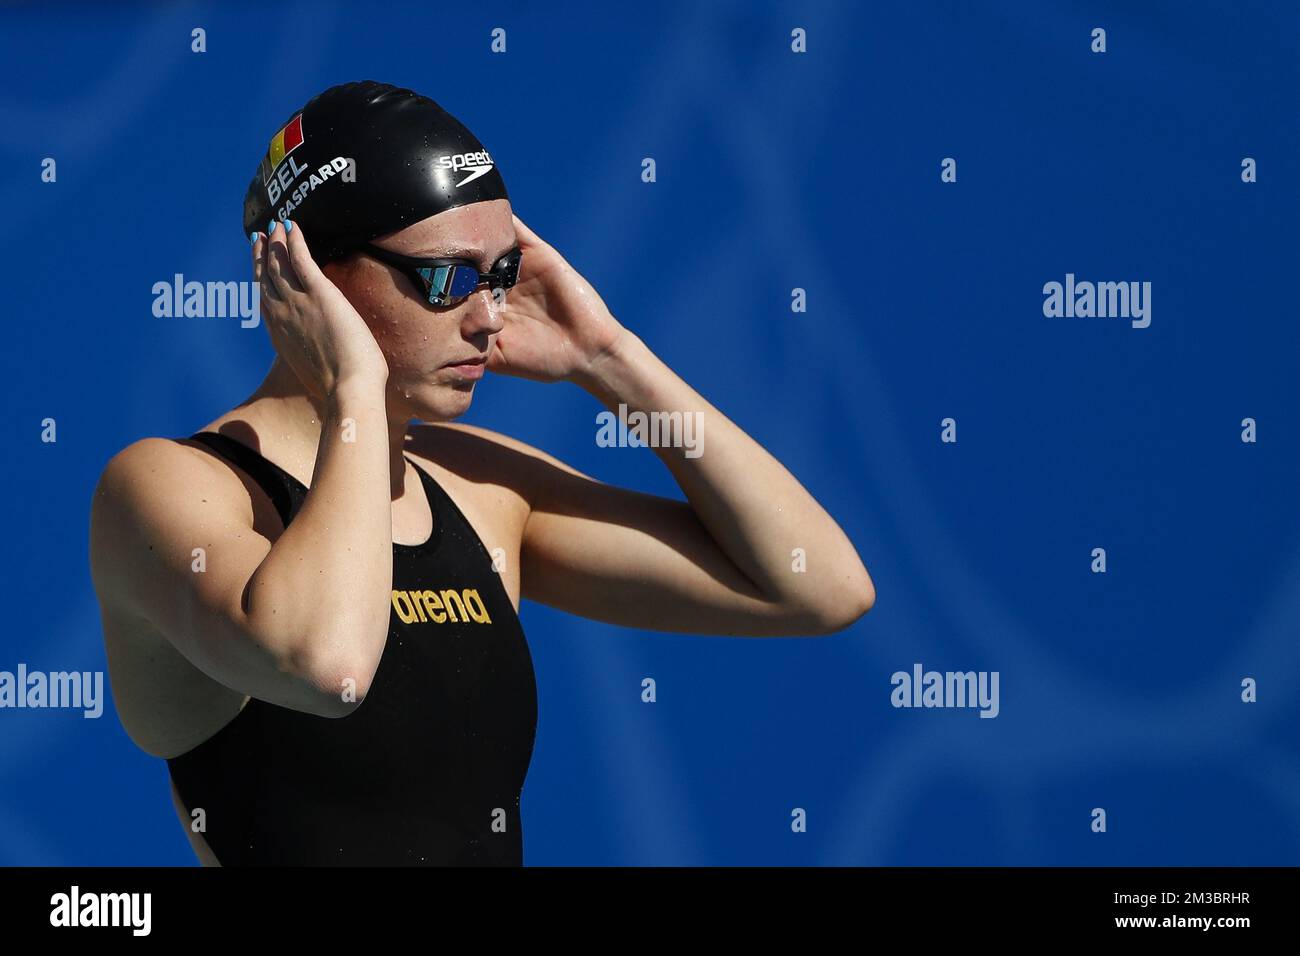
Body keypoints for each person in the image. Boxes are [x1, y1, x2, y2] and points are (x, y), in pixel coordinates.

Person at [88, 80, 875, 866]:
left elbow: (815, 586)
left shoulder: (480, 489)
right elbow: (326, 665)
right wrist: (354, 388)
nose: (490, 314)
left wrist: (610, 358)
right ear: (312, 274)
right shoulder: (175, 489)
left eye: (500, 274)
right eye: (448, 279)